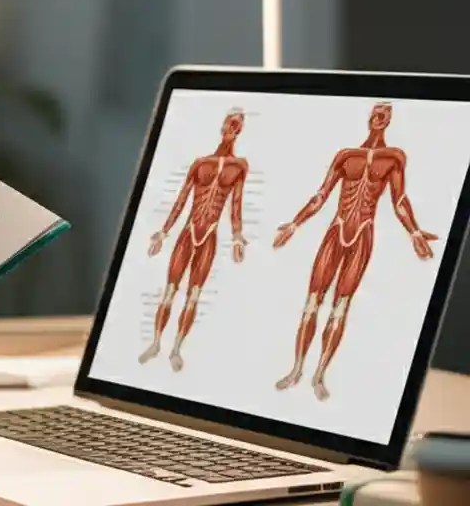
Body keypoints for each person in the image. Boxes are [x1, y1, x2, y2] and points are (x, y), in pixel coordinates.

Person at [271, 102, 437, 401]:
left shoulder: (394, 158)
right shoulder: (347, 155)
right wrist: (294, 225)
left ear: (389, 120)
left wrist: (414, 232)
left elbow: (399, 200)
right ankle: (296, 369)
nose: (379, 116)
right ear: (369, 117)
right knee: (312, 302)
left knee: (341, 306)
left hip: (362, 233)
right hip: (336, 230)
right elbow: (321, 195)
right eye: (376, 111)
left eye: (385, 113)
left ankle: (319, 373)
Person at [140, 108, 249, 372]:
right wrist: (164, 232)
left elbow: (236, 205)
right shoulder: (201, 163)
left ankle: (176, 348)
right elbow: (182, 198)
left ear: (239, 131)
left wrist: (236, 237)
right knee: (169, 292)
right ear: (222, 127)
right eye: (228, 123)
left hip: (209, 235)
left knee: (194, 296)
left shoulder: (239, 166)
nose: (230, 128)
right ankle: (156, 343)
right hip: (188, 232)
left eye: (235, 125)